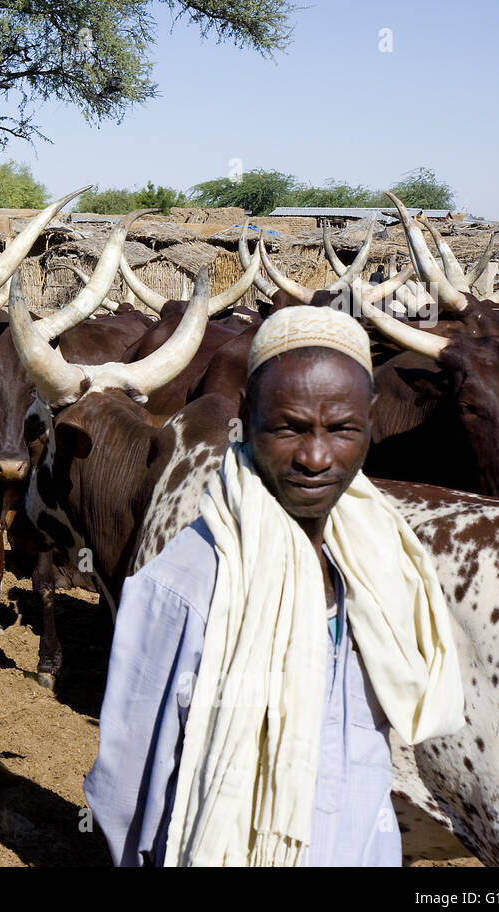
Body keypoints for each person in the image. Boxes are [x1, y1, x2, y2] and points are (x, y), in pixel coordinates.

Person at [84, 306, 466, 867]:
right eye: (289, 427)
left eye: (342, 429)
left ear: (372, 418)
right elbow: (125, 797)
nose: (315, 457)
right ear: (245, 415)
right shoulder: (184, 587)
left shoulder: (387, 564)